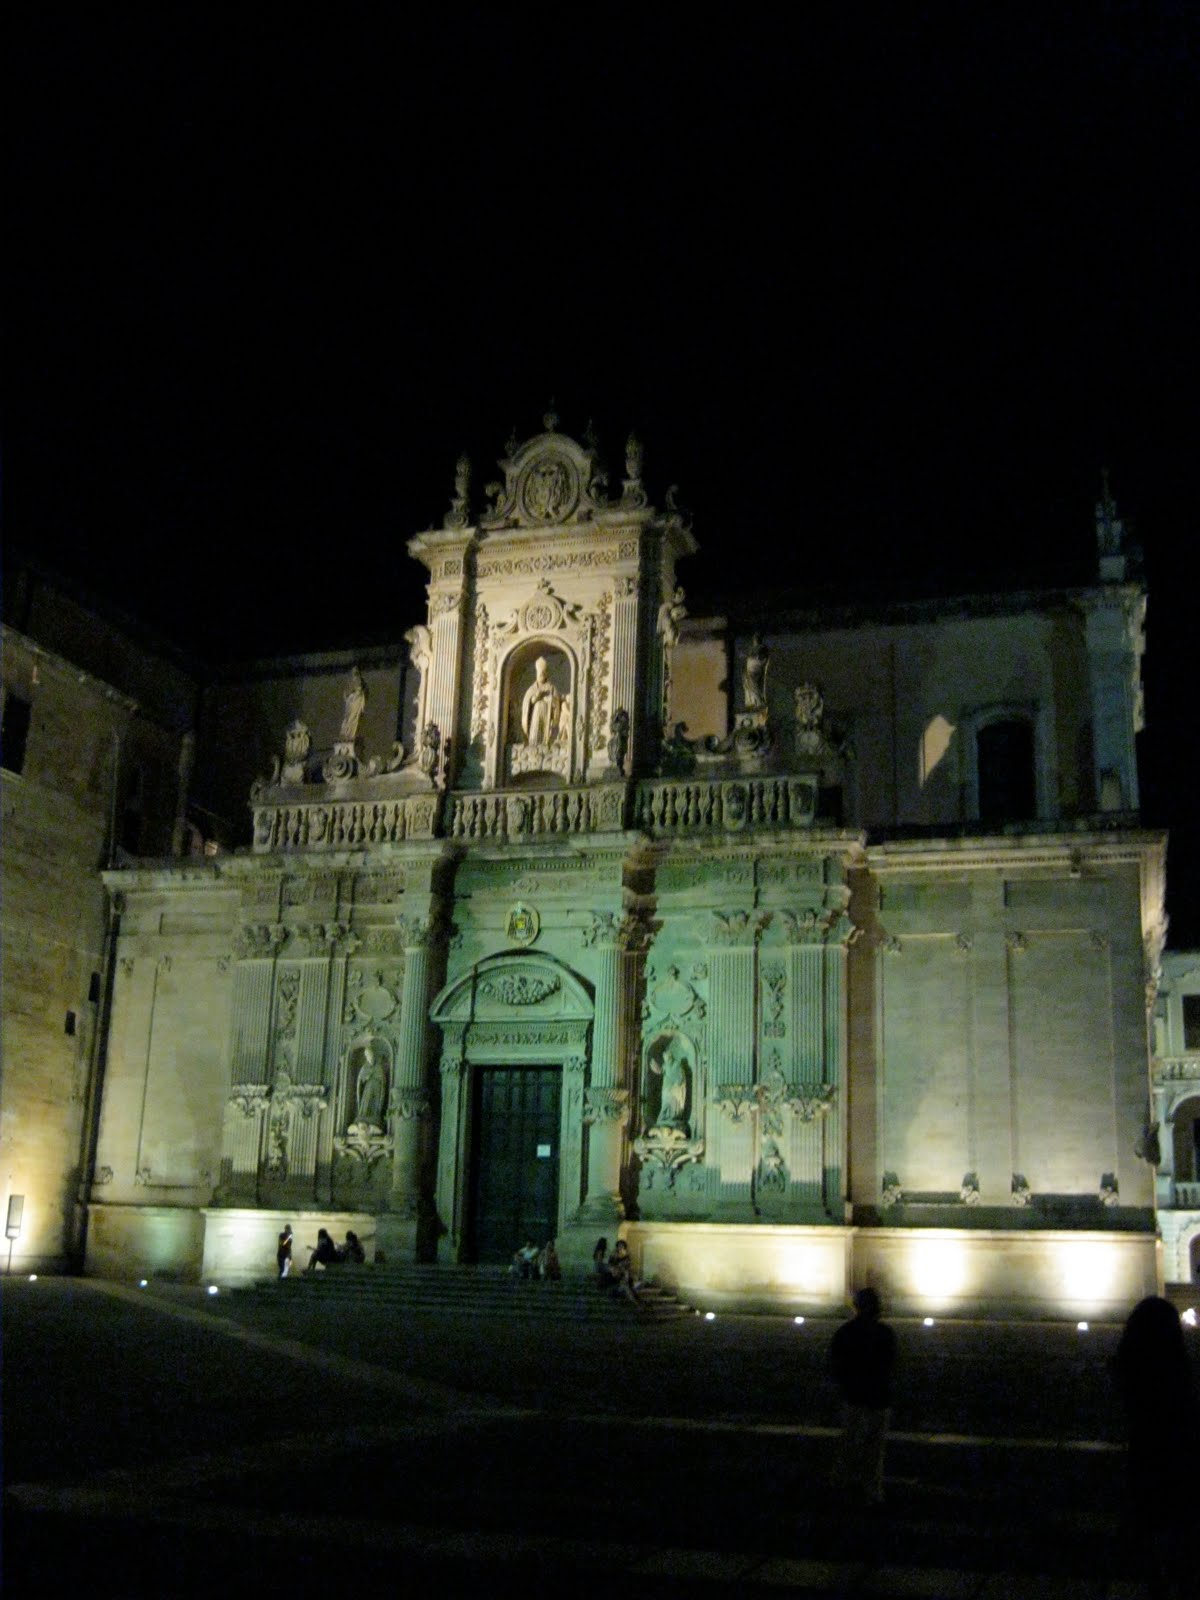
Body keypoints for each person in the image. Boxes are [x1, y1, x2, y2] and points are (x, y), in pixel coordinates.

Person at [1114, 1295, 1199, 1596]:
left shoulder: (1131, 1372)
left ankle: (1158, 1580)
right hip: (1179, 1463)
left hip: (1146, 1460)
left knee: (1153, 1532)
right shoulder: (1180, 1373)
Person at [830, 1287, 896, 1507]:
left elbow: (836, 1365)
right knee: (874, 1449)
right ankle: (871, 1492)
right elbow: (890, 1365)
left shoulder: (845, 1332)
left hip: (854, 1396)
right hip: (878, 1397)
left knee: (849, 1443)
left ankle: (842, 1487)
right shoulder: (885, 1333)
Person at [521, 656, 561, 746]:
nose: (541, 675)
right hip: (536, 716)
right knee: (535, 733)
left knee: (545, 735)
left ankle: (547, 743)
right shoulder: (532, 688)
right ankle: (533, 745)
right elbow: (527, 703)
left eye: (543, 673)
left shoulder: (551, 688)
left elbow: (556, 703)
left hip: (547, 715)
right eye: (540, 673)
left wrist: (550, 700)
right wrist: (536, 697)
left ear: (546, 674)